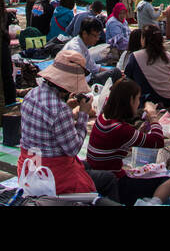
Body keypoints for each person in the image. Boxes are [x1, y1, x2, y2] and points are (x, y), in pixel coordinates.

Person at [17, 50, 118, 199]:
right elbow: (73, 149)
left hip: (29, 166)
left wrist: (69, 110)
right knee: (109, 180)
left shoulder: (32, 95)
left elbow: (47, 125)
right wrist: (83, 113)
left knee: (88, 166)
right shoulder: (59, 109)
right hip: (51, 176)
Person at [84, 78, 170, 205]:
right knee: (169, 180)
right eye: (137, 99)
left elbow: (125, 139)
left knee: (154, 169)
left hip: (98, 175)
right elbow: (157, 141)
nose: (139, 103)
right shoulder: (121, 129)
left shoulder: (103, 117)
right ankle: (152, 203)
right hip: (116, 183)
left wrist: (141, 131)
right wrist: (153, 117)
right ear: (130, 101)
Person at [123, 26, 170, 108]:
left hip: (151, 102)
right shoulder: (168, 56)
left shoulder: (136, 56)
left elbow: (128, 79)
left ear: (144, 40)